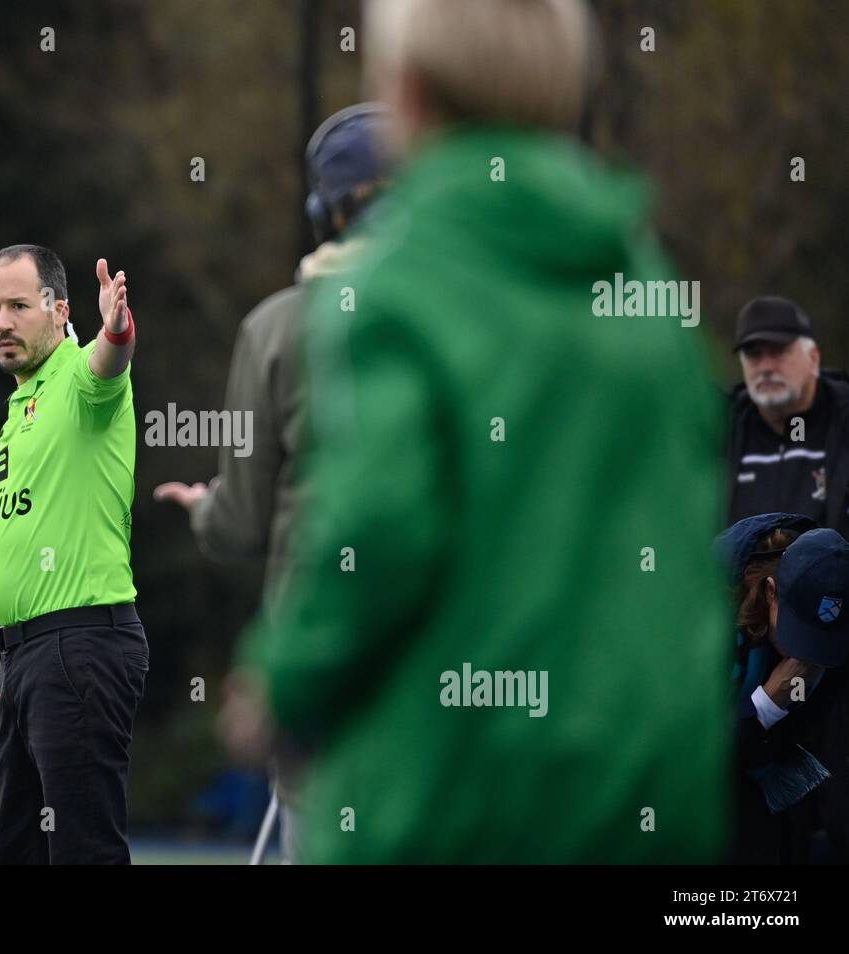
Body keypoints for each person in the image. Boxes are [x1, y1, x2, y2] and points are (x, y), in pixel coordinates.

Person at [220, 0, 733, 863]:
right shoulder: (647, 285)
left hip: (451, 791)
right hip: (645, 785)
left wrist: (282, 678)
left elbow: (376, 530)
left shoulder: (400, 283)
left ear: (410, 94)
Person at [153, 102, 391, 863]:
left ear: (326, 213)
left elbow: (241, 522)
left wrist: (204, 510)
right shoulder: (487, 317)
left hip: (322, 666)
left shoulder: (278, 328)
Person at [0, 244, 149, 865]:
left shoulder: (76, 379)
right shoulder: (21, 405)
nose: (3, 322)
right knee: (21, 854)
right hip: (34, 658)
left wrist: (116, 327)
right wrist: (15, 666)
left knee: (84, 853)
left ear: (58, 310)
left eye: (19, 305)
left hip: (78, 648)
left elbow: (111, 359)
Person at [715, 514, 849, 862]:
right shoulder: (709, 625)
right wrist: (766, 707)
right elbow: (692, 759)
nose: (804, 654)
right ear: (770, 591)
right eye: (795, 630)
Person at [726, 296, 849, 534]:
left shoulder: (842, 421)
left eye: (779, 351)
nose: (766, 367)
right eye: (754, 354)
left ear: (813, 359)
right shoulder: (719, 429)